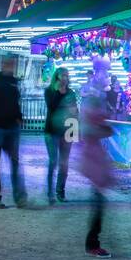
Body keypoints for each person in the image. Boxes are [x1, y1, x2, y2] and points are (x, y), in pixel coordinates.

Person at [77, 60, 115, 257]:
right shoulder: (91, 100)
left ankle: (93, 241)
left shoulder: (96, 98)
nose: (106, 77)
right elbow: (89, 129)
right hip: (92, 155)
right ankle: (92, 243)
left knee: (99, 198)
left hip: (94, 154)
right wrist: (104, 129)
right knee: (98, 199)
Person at [0, 56, 26, 207]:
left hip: (12, 127)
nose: (11, 66)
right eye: (9, 64)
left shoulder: (14, 81)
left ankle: (20, 197)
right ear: (3, 65)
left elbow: (16, 102)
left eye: (13, 64)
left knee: (15, 162)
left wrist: (19, 117)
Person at [43, 68, 77, 204]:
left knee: (64, 163)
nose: (65, 78)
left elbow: (75, 111)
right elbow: (51, 107)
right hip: (52, 131)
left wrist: (74, 131)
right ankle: (50, 192)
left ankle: (60, 191)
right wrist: (59, 92)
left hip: (67, 130)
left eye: (67, 76)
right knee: (53, 161)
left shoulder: (71, 93)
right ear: (56, 77)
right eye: (63, 75)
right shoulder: (49, 91)